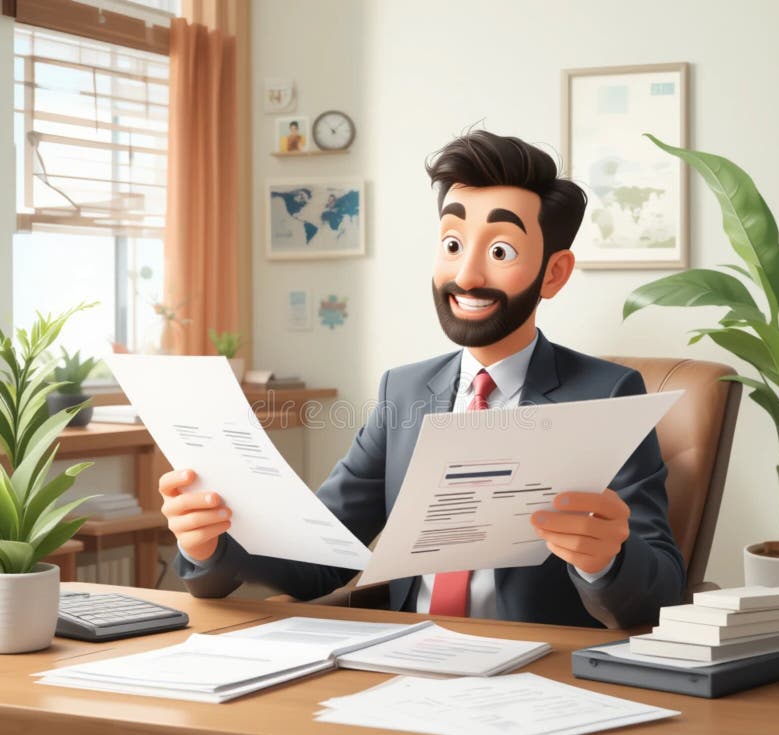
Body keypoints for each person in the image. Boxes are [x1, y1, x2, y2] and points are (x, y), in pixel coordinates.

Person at [161, 130, 685, 628]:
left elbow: (661, 590)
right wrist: (209, 543)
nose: (467, 276)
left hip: (539, 668)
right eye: (453, 245)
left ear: (554, 273)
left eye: (500, 251)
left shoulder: (606, 395)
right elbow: (323, 555)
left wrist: (605, 561)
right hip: (410, 658)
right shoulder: (403, 392)